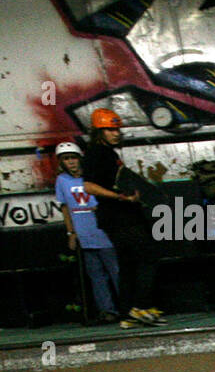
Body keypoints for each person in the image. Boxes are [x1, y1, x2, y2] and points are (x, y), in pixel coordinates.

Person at [79, 108, 165, 326]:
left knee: (127, 264)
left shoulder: (107, 154)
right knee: (148, 255)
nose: (115, 133)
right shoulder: (97, 153)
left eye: (116, 129)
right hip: (119, 216)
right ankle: (141, 306)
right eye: (109, 129)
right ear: (99, 131)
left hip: (116, 216)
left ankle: (129, 312)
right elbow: (88, 186)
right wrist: (119, 196)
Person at [53, 141, 121, 325]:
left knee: (116, 271)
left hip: (103, 232)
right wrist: (71, 233)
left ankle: (128, 307)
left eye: (73, 158)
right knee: (96, 275)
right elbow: (65, 208)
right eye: (66, 159)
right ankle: (107, 311)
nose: (71, 162)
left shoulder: (92, 177)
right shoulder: (62, 181)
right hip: (85, 235)